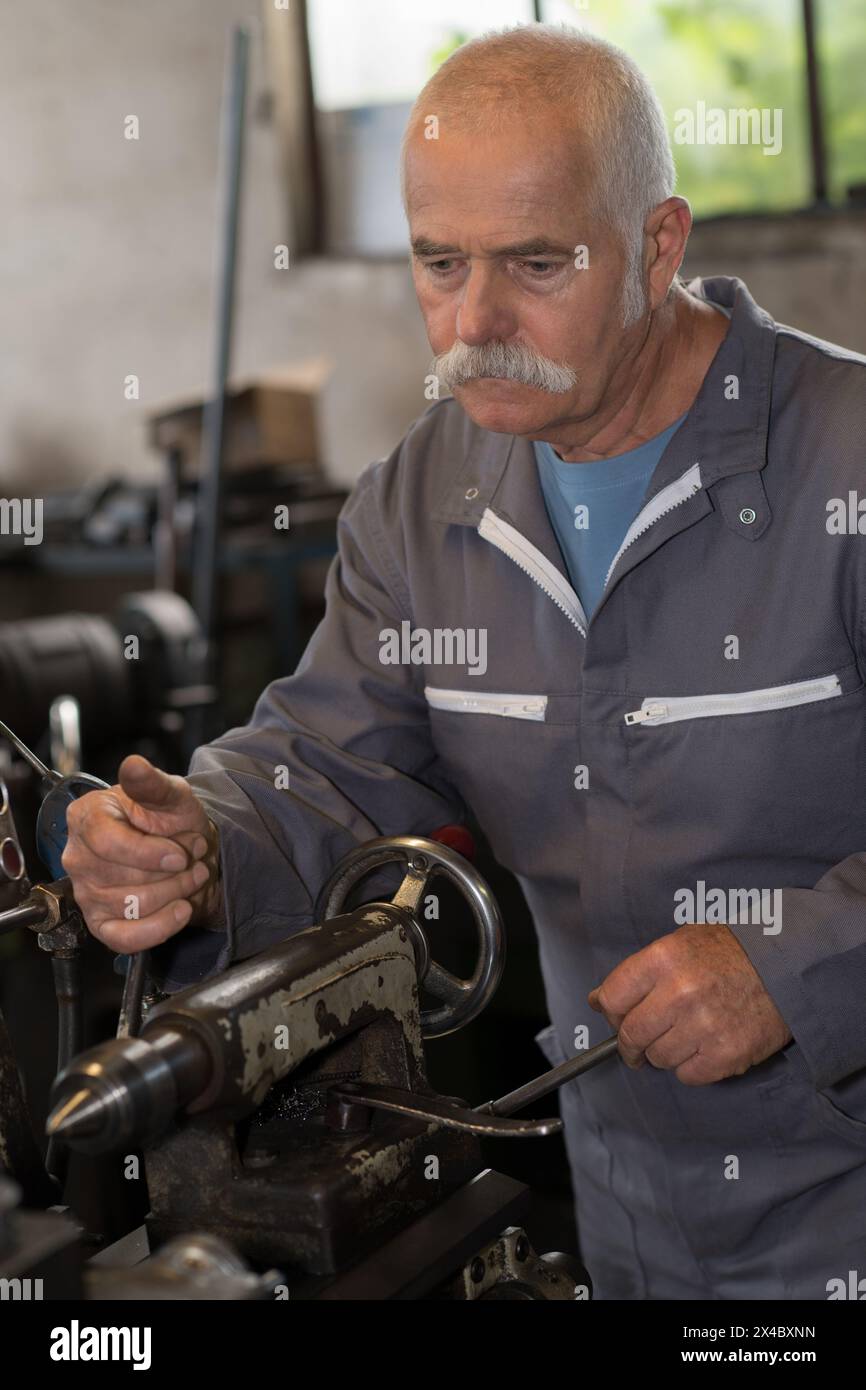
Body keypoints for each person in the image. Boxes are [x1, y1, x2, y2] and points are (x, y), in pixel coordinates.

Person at [61, 25, 866, 1299]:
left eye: (536, 262)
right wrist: (202, 839)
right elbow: (326, 761)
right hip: (622, 1190)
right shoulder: (421, 501)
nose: (475, 321)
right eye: (439, 264)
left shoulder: (844, 461)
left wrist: (797, 965)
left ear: (660, 244)